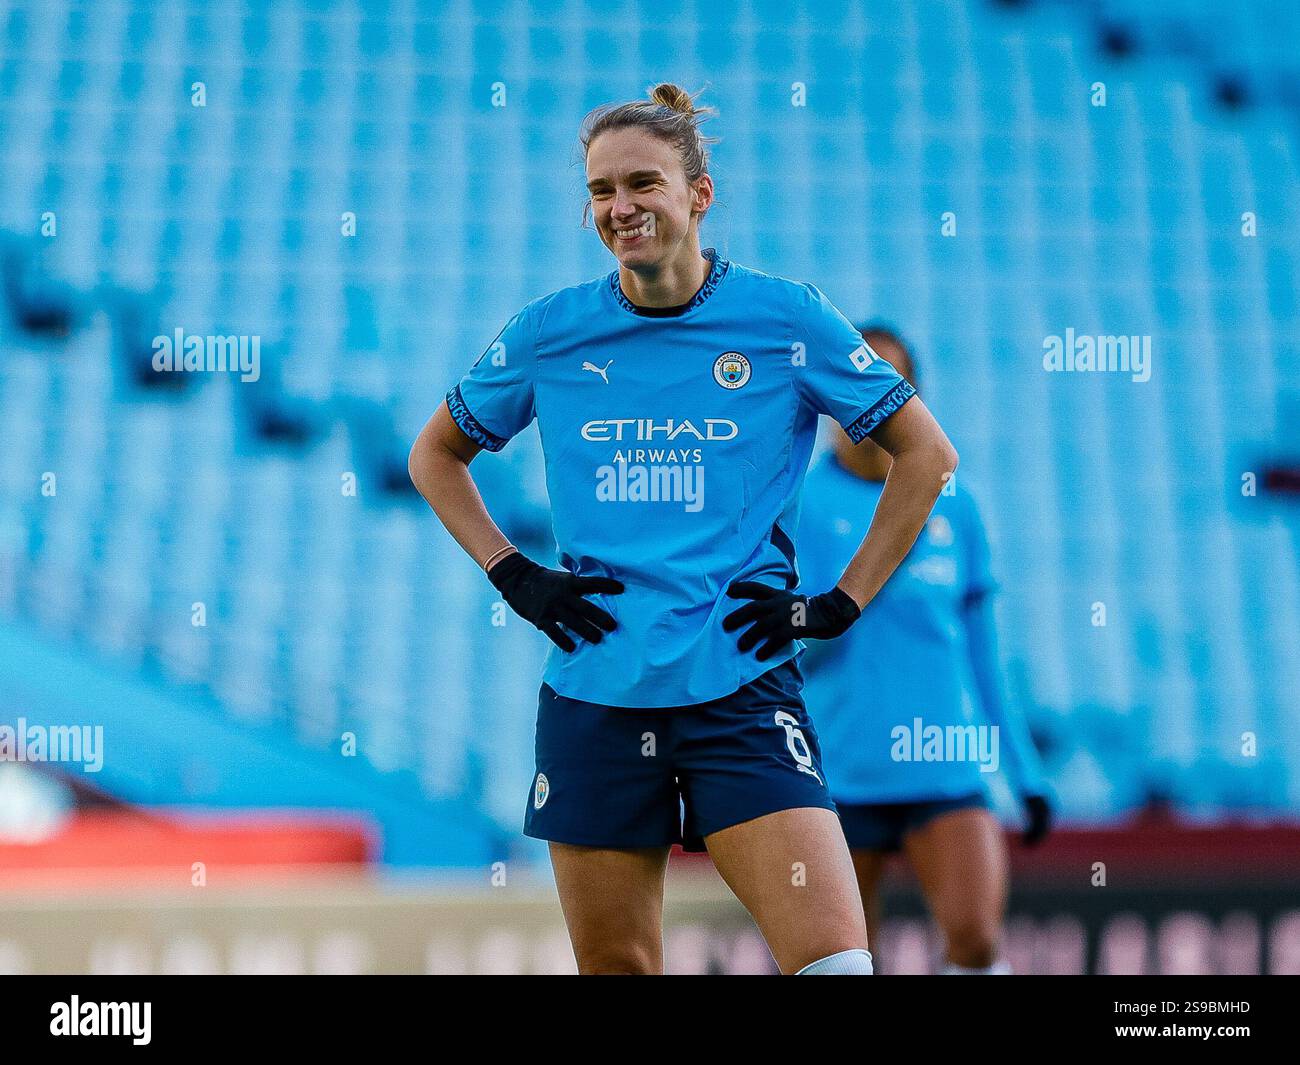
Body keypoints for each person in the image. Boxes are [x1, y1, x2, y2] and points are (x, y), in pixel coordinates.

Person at [408, 85, 958, 975]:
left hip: (741, 693)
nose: (618, 209)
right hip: (597, 699)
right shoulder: (550, 332)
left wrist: (843, 601)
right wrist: (514, 571)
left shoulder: (786, 319)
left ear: (700, 193)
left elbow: (925, 455)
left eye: (642, 184)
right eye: (599, 191)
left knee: (837, 966)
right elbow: (434, 454)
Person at [798, 325, 1052, 974]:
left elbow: (982, 652)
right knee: (842, 962)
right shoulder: (798, 504)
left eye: (891, 384)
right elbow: (786, 653)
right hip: (840, 774)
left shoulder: (957, 507)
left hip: (944, 766)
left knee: (975, 940)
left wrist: (1024, 773)